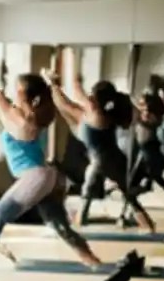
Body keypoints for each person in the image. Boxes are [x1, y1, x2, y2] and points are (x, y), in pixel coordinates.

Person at [0, 52, 100, 270]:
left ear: (33, 99)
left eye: (18, 91)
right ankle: (92, 261)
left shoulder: (20, 120)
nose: (14, 94)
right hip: (46, 176)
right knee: (58, 224)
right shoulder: (36, 116)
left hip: (35, 177)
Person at [48, 54, 155, 231]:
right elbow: (69, 101)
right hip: (109, 158)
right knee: (121, 195)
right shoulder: (104, 113)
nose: (89, 97)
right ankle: (148, 227)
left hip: (102, 161)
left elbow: (70, 98)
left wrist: (60, 75)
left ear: (98, 99)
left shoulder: (94, 113)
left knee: (94, 193)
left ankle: (81, 224)